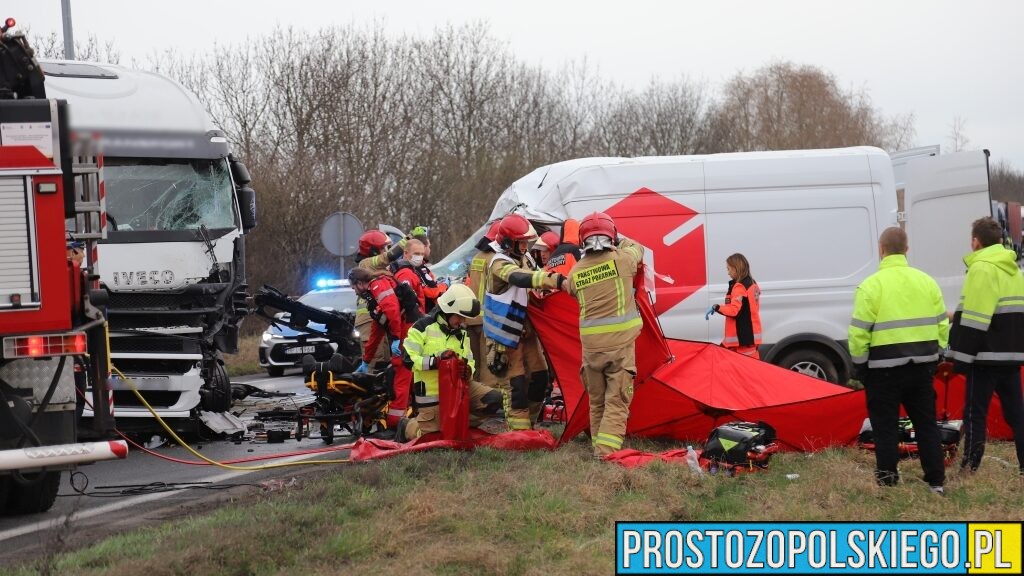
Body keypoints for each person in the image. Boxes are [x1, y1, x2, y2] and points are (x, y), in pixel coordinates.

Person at [848, 227, 948, 493]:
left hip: (882, 371)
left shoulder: (871, 286)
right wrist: (936, 355)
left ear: (881, 250)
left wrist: (860, 365)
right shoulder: (927, 282)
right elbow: (942, 324)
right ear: (907, 249)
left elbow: (858, 333)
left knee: (885, 427)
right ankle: (936, 481)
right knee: (926, 425)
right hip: (922, 368)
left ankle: (888, 481)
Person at [946, 216, 1024, 475]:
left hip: (984, 356)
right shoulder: (1014, 269)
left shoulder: (981, 269)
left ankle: (970, 465)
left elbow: (976, 319)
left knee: (974, 413)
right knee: (1016, 414)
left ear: (975, 242)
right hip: (1011, 355)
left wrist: (960, 358)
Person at [566, 212, 644, 458]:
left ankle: (598, 447)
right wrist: (618, 239)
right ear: (611, 235)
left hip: (591, 351)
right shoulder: (623, 261)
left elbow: (570, 290)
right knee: (617, 402)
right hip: (620, 347)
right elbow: (637, 248)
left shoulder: (576, 272)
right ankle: (606, 454)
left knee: (597, 401)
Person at [484, 213, 565, 430]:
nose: (525, 246)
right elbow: (519, 277)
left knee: (540, 379)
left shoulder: (526, 257)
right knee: (516, 385)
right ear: (509, 242)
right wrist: (553, 280)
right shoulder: (498, 262)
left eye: (526, 242)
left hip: (526, 332)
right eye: (521, 242)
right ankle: (518, 432)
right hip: (505, 338)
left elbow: (535, 277)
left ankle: (530, 425)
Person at [399, 284, 503, 440]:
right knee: (433, 438)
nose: (462, 321)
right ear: (447, 311)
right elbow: (408, 360)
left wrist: (468, 370)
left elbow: (470, 360)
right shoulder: (422, 327)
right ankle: (407, 426)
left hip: (459, 389)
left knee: (493, 399)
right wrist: (436, 362)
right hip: (432, 395)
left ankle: (458, 424)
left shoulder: (461, 333)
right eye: (459, 316)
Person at [348, 267, 415, 432]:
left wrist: (396, 339)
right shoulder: (373, 295)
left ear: (360, 283)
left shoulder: (378, 286)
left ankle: (396, 423)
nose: (354, 291)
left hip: (408, 331)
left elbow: (393, 312)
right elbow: (377, 331)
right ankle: (409, 413)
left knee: (400, 370)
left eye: (353, 287)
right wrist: (366, 360)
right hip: (403, 331)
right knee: (405, 373)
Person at [354, 230, 407, 372]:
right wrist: (409, 239)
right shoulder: (367, 263)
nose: (386, 250)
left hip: (379, 315)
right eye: (384, 247)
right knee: (377, 361)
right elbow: (388, 256)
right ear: (373, 251)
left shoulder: (380, 269)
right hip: (368, 320)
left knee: (384, 361)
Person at [705, 253, 763, 359]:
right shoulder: (752, 284)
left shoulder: (740, 286)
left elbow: (734, 311)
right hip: (749, 337)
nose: (728, 273)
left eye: (729, 269)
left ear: (736, 268)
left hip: (742, 339)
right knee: (749, 369)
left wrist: (717, 307)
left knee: (745, 371)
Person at [465, 221, 501, 381]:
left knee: (474, 366)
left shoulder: (476, 258)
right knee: (488, 370)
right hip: (488, 321)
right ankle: (485, 403)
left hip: (471, 318)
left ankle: (472, 402)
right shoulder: (496, 260)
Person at [409, 225, 449, 310]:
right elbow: (433, 292)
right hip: (425, 311)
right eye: (429, 246)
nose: (430, 249)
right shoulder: (420, 268)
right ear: (423, 247)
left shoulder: (416, 265)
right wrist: (445, 285)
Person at [390, 238, 428, 314]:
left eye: (422, 254)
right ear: (406, 253)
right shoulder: (406, 274)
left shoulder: (410, 270)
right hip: (411, 320)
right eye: (416, 254)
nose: (420, 257)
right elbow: (406, 304)